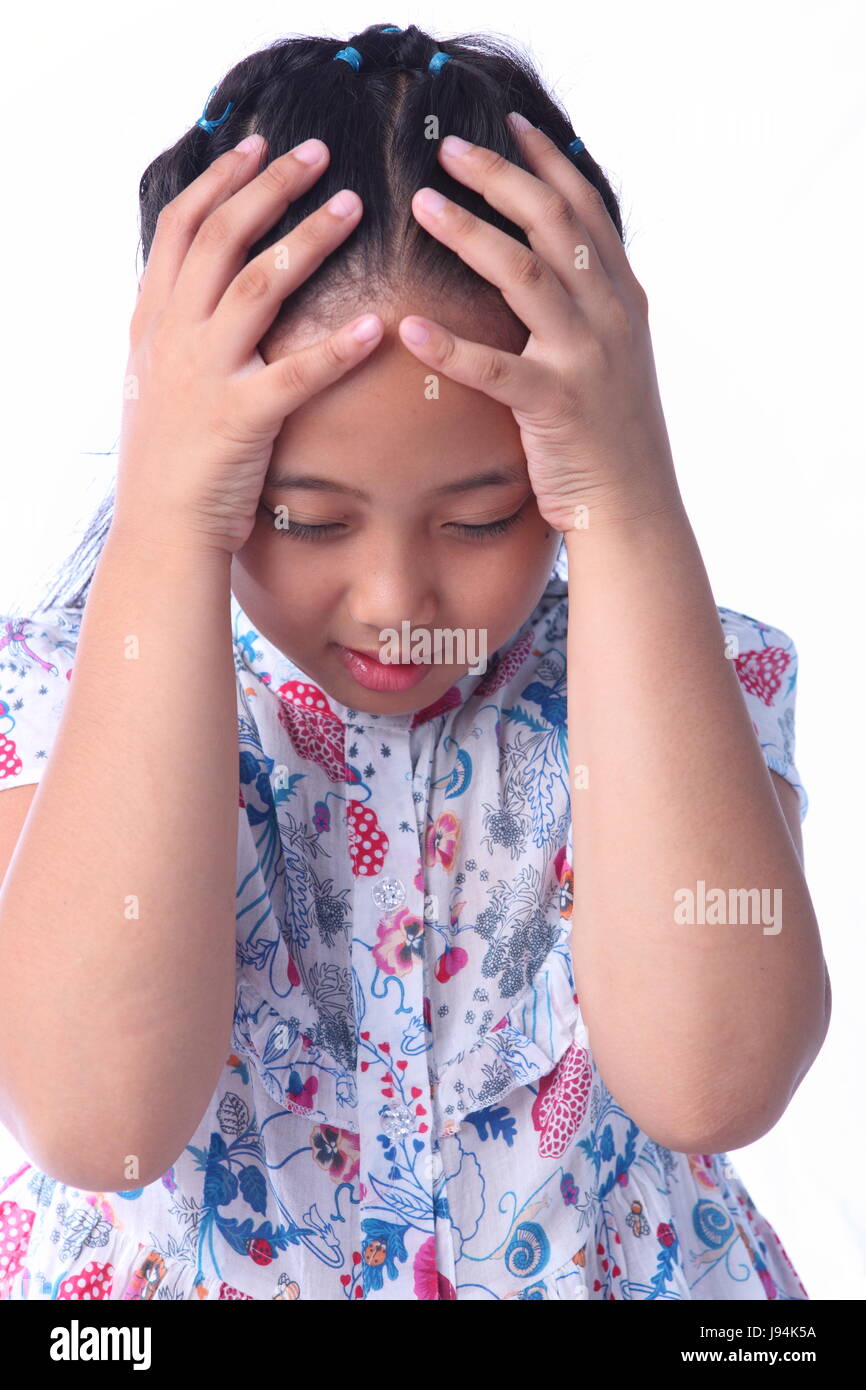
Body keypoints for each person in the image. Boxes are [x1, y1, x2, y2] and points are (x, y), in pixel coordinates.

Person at [0, 22, 828, 1301]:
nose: (395, 601)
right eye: (307, 518)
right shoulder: (60, 697)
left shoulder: (688, 681)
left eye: (483, 516)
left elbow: (710, 1078)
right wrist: (165, 520)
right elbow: (99, 1115)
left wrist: (629, 494)